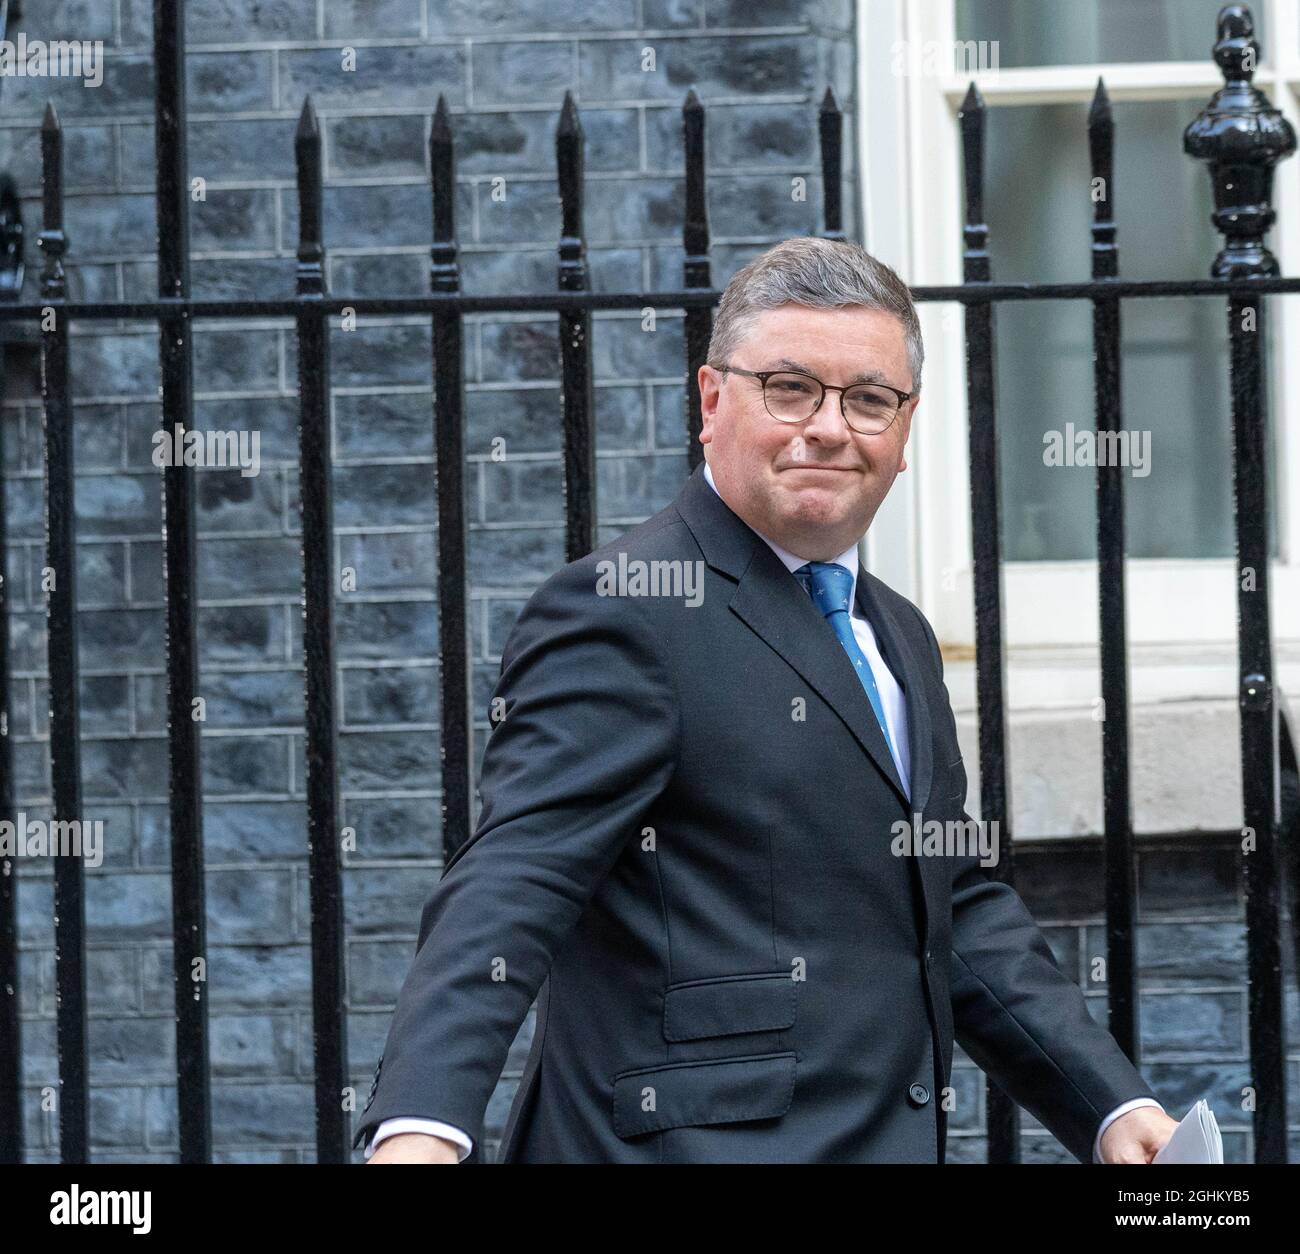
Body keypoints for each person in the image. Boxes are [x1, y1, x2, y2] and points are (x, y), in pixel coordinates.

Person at [361, 236, 1176, 1164]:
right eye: (789, 388)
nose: (829, 427)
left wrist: (1109, 1105)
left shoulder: (899, 634)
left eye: (869, 400)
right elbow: (514, 879)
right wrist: (422, 1127)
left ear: (905, 434)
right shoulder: (626, 606)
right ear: (712, 402)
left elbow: (947, 900)